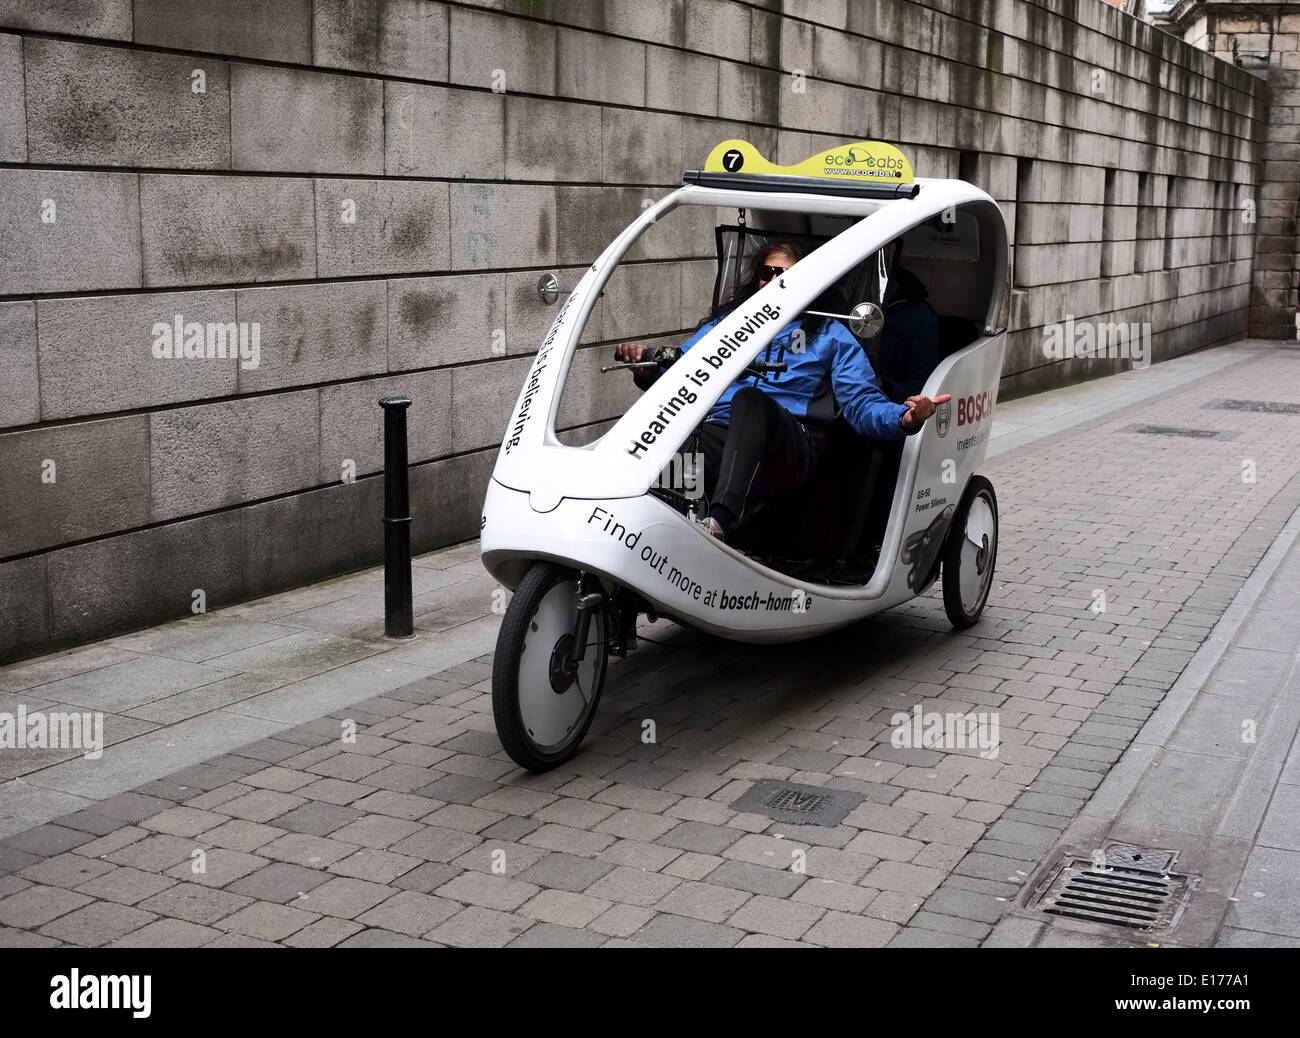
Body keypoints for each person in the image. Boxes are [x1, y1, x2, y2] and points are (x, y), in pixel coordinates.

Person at [615, 241, 947, 543]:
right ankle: (643, 522)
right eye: (767, 273)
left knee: (750, 400)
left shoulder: (831, 335)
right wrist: (646, 367)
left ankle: (718, 523)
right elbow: (684, 366)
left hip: (790, 449)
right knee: (683, 435)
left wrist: (904, 418)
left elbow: (862, 404)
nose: (774, 282)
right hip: (727, 436)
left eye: (785, 275)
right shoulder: (728, 325)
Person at [876, 263, 941, 402]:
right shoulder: (864, 308)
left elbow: (921, 382)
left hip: (892, 396)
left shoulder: (920, 316)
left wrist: (886, 386)